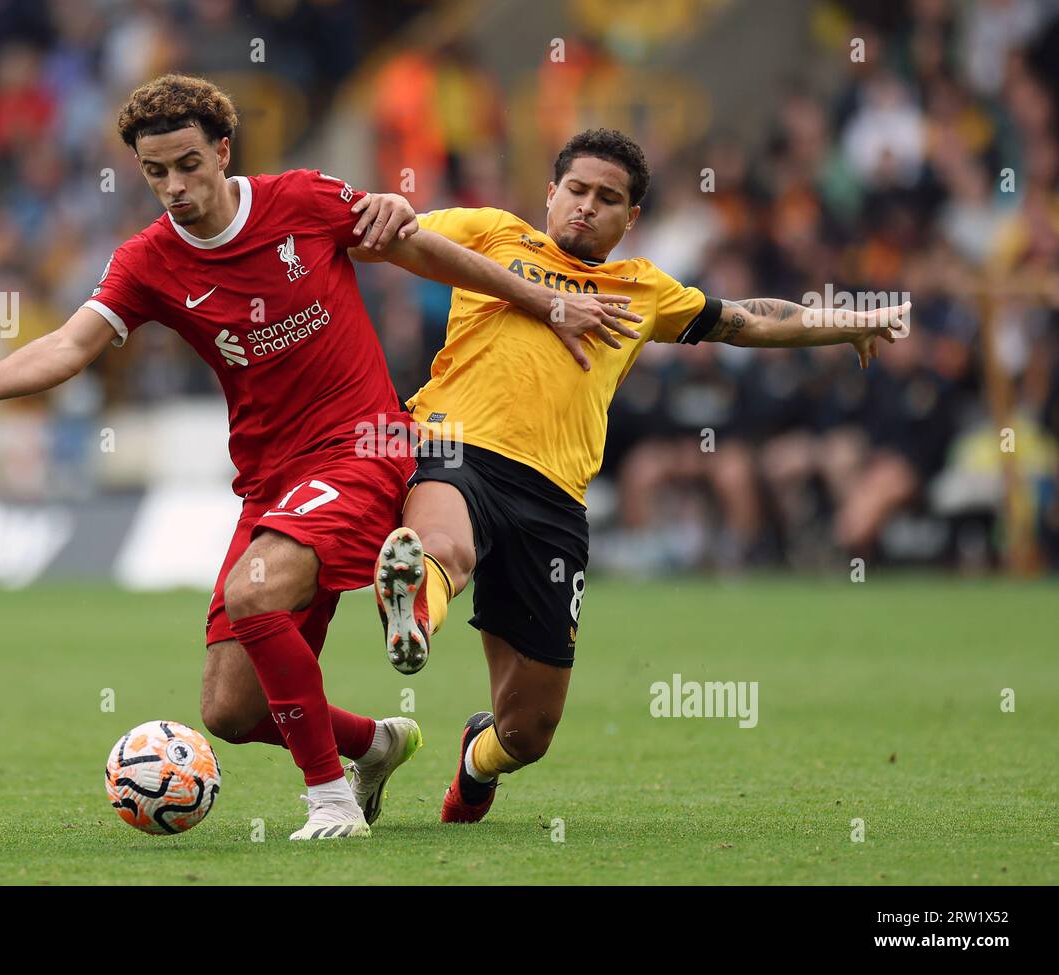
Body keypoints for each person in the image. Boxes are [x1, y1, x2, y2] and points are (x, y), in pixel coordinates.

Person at [0, 77, 641, 840]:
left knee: (254, 595)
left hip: (363, 448)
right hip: (272, 483)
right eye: (157, 173)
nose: (175, 186)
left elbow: (427, 254)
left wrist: (545, 301)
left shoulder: (302, 200)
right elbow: (70, 345)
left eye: (189, 164)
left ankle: (331, 800)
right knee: (231, 709)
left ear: (223, 151)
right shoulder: (149, 260)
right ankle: (375, 743)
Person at [371, 127, 909, 824]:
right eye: (576, 190)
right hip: (454, 448)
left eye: (608, 198)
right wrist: (382, 204)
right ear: (550, 192)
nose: (587, 206)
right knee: (444, 548)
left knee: (528, 732)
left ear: (633, 218)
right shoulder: (493, 234)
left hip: (554, 500)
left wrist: (842, 323)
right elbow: (397, 232)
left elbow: (745, 321)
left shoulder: (643, 290)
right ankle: (414, 607)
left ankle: (477, 759)